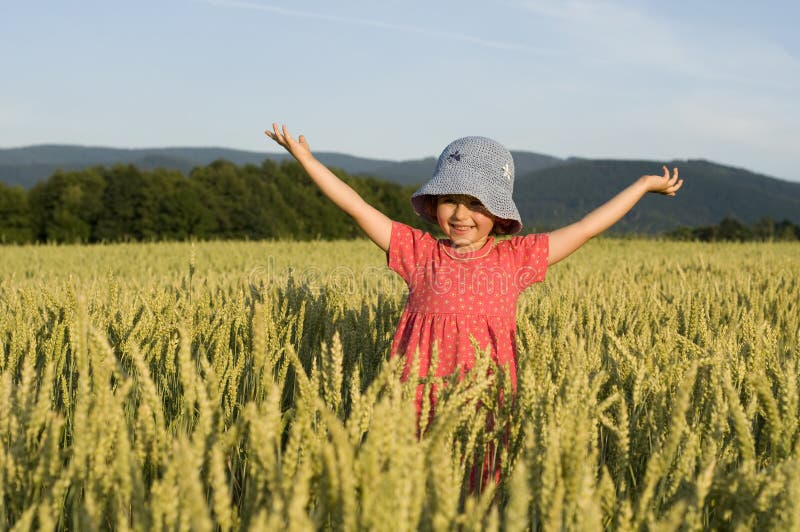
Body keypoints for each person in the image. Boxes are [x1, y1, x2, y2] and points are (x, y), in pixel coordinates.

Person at [264, 122, 682, 425]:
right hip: (414, 402)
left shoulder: (516, 258)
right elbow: (356, 206)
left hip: (486, 403)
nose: (462, 214)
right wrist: (307, 161)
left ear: (499, 212)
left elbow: (587, 227)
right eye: (450, 200)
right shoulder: (418, 252)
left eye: (477, 203)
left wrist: (642, 185)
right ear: (435, 205)